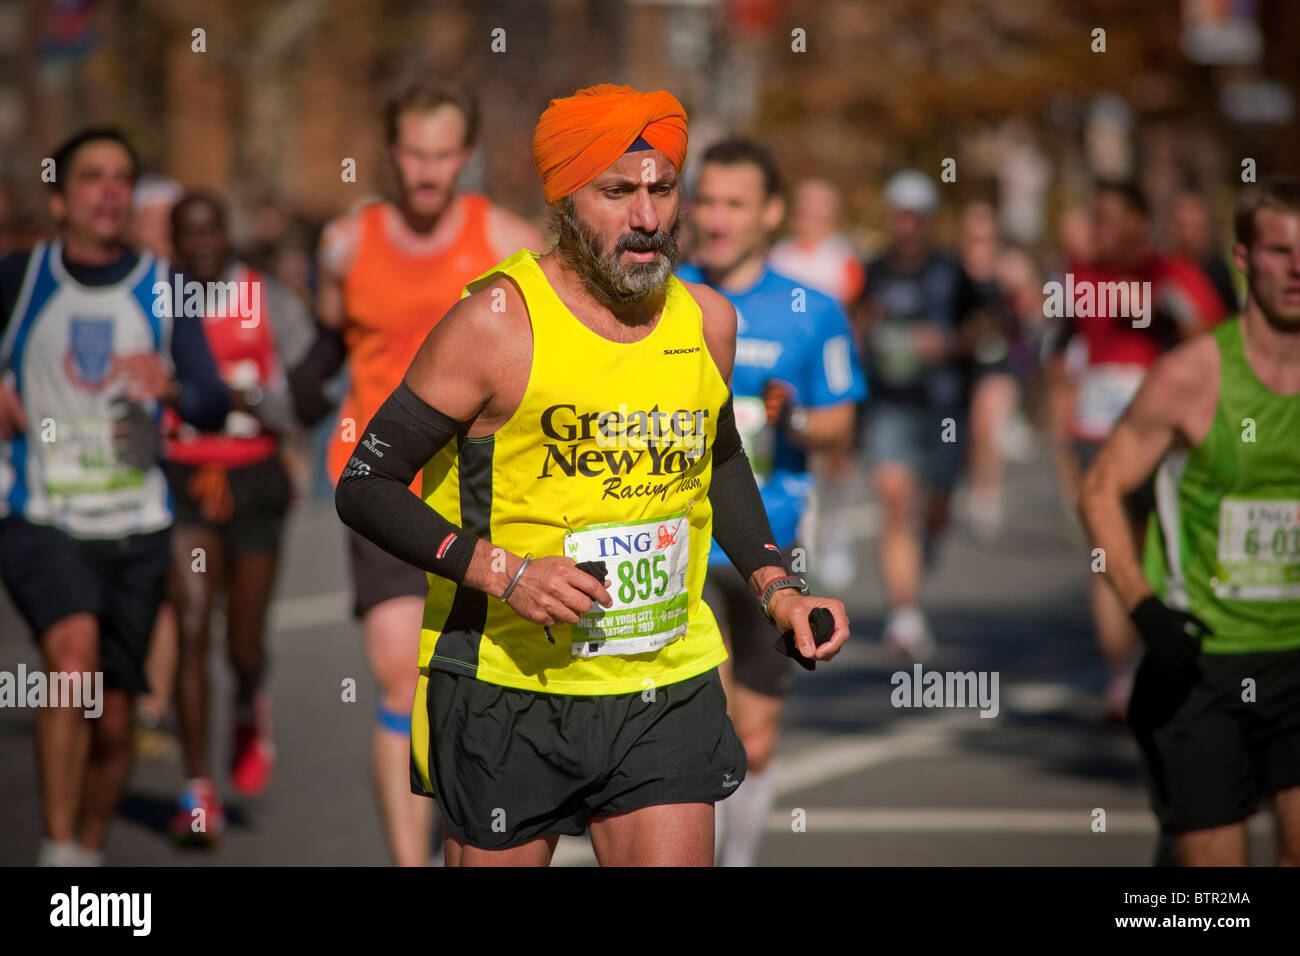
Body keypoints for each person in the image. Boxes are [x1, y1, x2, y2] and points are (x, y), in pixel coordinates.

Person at [335, 83, 851, 867]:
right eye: (616, 192)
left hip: (663, 683)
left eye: (662, 189)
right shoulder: (496, 327)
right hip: (510, 688)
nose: (646, 217)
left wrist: (778, 588)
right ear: (566, 200)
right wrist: (505, 573)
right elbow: (365, 484)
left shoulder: (706, 320)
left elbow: (719, 458)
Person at [290, 75, 542, 866]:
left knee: (474, 679)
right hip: (381, 482)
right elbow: (329, 350)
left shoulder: (507, 239)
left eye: (444, 154)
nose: (428, 171)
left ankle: (472, 827)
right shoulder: (345, 243)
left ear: (465, 156)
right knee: (401, 673)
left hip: (477, 490)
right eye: (413, 153)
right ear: (391, 154)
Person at [0, 128, 227, 865]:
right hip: (43, 514)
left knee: (119, 720)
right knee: (72, 663)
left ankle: (87, 849)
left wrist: (174, 388)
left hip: (135, 522)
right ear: (60, 197)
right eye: (92, 176)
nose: (109, 190)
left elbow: (213, 401)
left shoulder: (162, 285)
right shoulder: (19, 278)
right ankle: (58, 851)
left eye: (122, 178)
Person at [1080, 177, 1300, 866]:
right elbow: (1101, 487)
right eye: (1279, 250)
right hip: (1202, 658)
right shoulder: (1193, 374)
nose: (1298, 268)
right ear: (1243, 258)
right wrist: (1144, 611)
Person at [680, 138, 866, 866]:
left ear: (772, 212)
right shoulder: (664, 295)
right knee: (707, 732)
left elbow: (842, 420)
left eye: (735, 203)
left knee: (754, 740)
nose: (717, 219)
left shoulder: (811, 309)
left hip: (773, 543)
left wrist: (790, 419)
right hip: (687, 542)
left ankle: (738, 857)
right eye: (707, 201)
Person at [162, 191, 315, 846]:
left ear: (226, 233)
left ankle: (250, 703)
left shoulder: (266, 296)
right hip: (185, 476)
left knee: (242, 643)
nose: (200, 244)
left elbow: (309, 389)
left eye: (210, 230)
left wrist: (251, 394)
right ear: (172, 242)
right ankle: (198, 791)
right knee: (192, 624)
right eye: (187, 234)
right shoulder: (157, 301)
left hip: (254, 478)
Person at [1059, 181, 1225, 722]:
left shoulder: (1173, 274)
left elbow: (1217, 341)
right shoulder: (1080, 276)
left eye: (1110, 217)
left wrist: (1168, 317)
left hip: (1159, 429)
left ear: (1137, 222)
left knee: (1155, 540)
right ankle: (1119, 672)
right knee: (1105, 544)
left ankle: (1167, 648)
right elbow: (1059, 352)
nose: (1099, 228)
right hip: (1096, 425)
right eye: (1095, 216)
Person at [854, 170, 986, 660]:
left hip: (944, 407)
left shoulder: (952, 272)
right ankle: (904, 616)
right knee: (894, 503)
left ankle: (928, 540)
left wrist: (948, 343)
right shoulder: (874, 270)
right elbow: (856, 323)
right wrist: (864, 332)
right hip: (890, 403)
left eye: (915, 216)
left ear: (928, 221)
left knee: (936, 507)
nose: (906, 224)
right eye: (899, 215)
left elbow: (986, 326)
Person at [769, 177, 865, 591]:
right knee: (790, 458)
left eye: (819, 209)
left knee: (835, 459)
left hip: (827, 372)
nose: (810, 217)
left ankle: (837, 533)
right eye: (805, 208)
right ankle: (799, 541)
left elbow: (851, 322)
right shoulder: (779, 256)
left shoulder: (843, 261)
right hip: (787, 375)